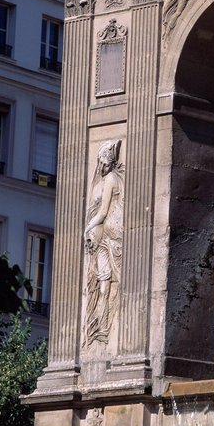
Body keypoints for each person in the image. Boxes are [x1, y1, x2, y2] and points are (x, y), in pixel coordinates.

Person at [84, 140, 124, 345]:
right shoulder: (114, 178)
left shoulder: (110, 180)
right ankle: (102, 326)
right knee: (104, 286)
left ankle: (102, 326)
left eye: (102, 162)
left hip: (108, 232)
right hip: (109, 234)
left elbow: (103, 211)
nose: (100, 165)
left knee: (104, 286)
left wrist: (88, 227)